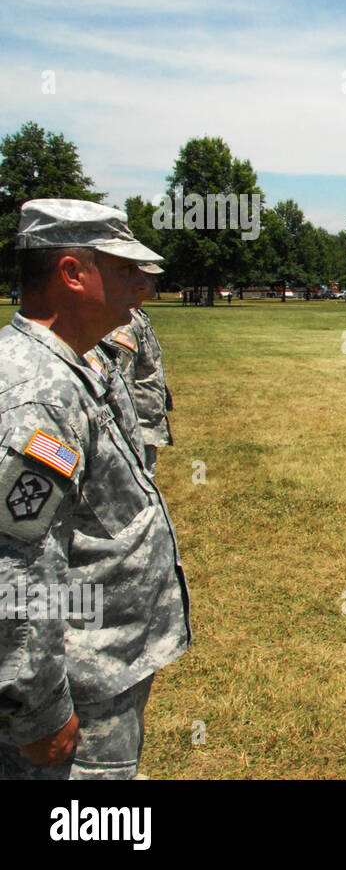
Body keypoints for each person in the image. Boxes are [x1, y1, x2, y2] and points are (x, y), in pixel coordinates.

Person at [0, 199, 191, 780]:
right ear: (72, 273)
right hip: (75, 686)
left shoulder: (79, 366)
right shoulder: (38, 398)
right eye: (125, 269)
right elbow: (16, 568)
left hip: (103, 670)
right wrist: (37, 712)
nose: (144, 286)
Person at [98, 266, 173, 474]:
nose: (153, 281)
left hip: (144, 424)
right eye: (148, 276)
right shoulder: (125, 323)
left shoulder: (136, 315)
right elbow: (121, 385)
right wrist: (126, 434)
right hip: (134, 430)